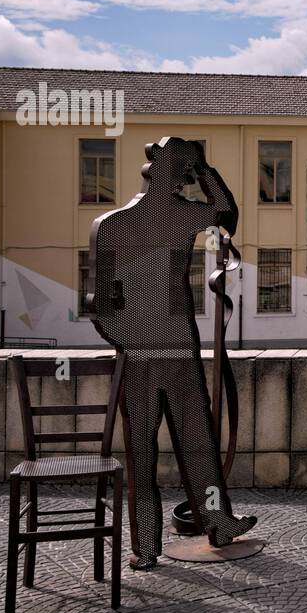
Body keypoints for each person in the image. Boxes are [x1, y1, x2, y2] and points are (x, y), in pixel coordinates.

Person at [87, 137, 255, 568]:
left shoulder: (167, 217)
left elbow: (228, 219)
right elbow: (100, 305)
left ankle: (214, 523)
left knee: (193, 445)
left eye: (189, 175)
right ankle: (148, 543)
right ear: (165, 172)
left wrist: (203, 168)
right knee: (146, 453)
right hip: (152, 354)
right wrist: (207, 171)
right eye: (182, 174)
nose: (185, 182)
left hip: (171, 351)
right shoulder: (120, 224)